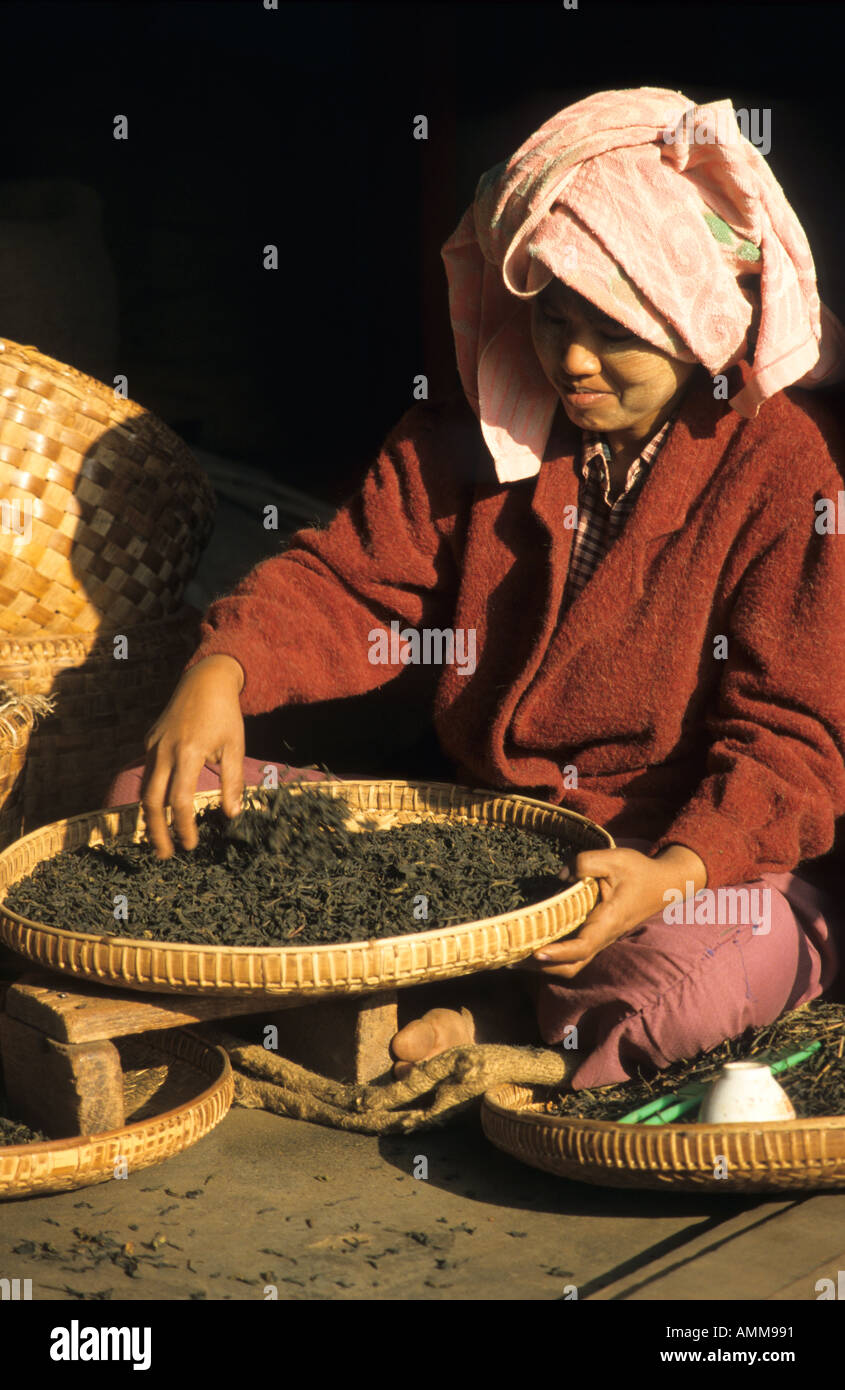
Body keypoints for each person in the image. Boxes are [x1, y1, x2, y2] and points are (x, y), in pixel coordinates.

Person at [107, 88, 845, 1091]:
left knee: (669, 988)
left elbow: (791, 736)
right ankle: (478, 992)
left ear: (689, 314)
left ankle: (488, 1010)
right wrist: (220, 671)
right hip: (488, 836)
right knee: (153, 806)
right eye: (549, 318)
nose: (570, 361)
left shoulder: (779, 468)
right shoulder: (478, 431)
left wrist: (675, 869)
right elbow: (345, 582)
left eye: (611, 330)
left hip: (680, 863)